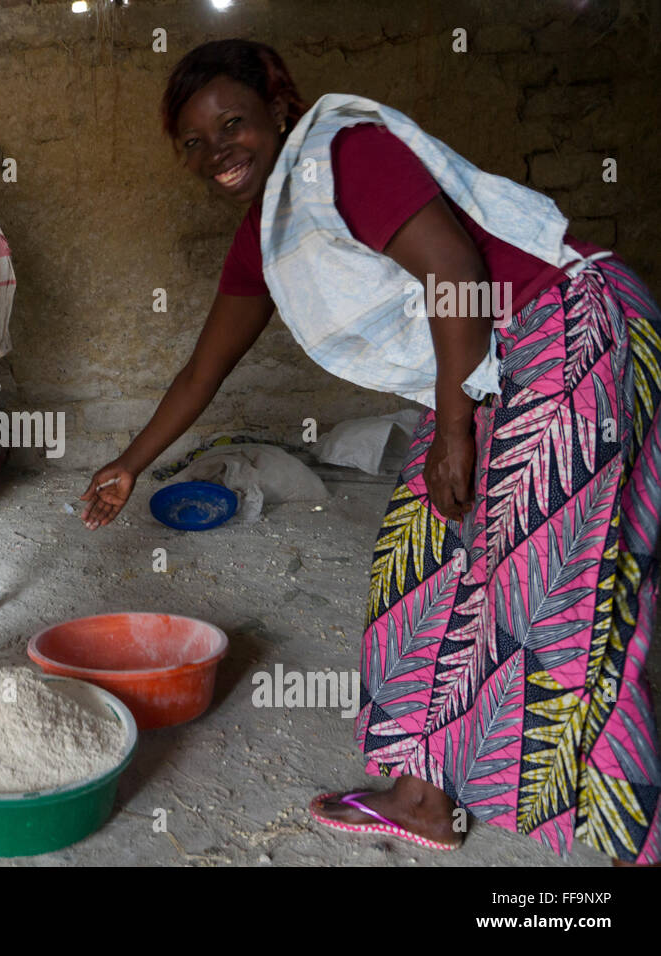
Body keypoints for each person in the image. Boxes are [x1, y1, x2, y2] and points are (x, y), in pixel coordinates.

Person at [80, 39, 660, 865]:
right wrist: (129, 464)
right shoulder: (267, 234)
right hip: (495, 363)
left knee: (553, 595)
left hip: (568, 329)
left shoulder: (343, 151)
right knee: (420, 561)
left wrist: (455, 431)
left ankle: (635, 839)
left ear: (278, 106)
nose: (217, 152)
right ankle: (424, 794)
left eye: (232, 124)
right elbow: (203, 370)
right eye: (195, 143)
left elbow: (456, 270)